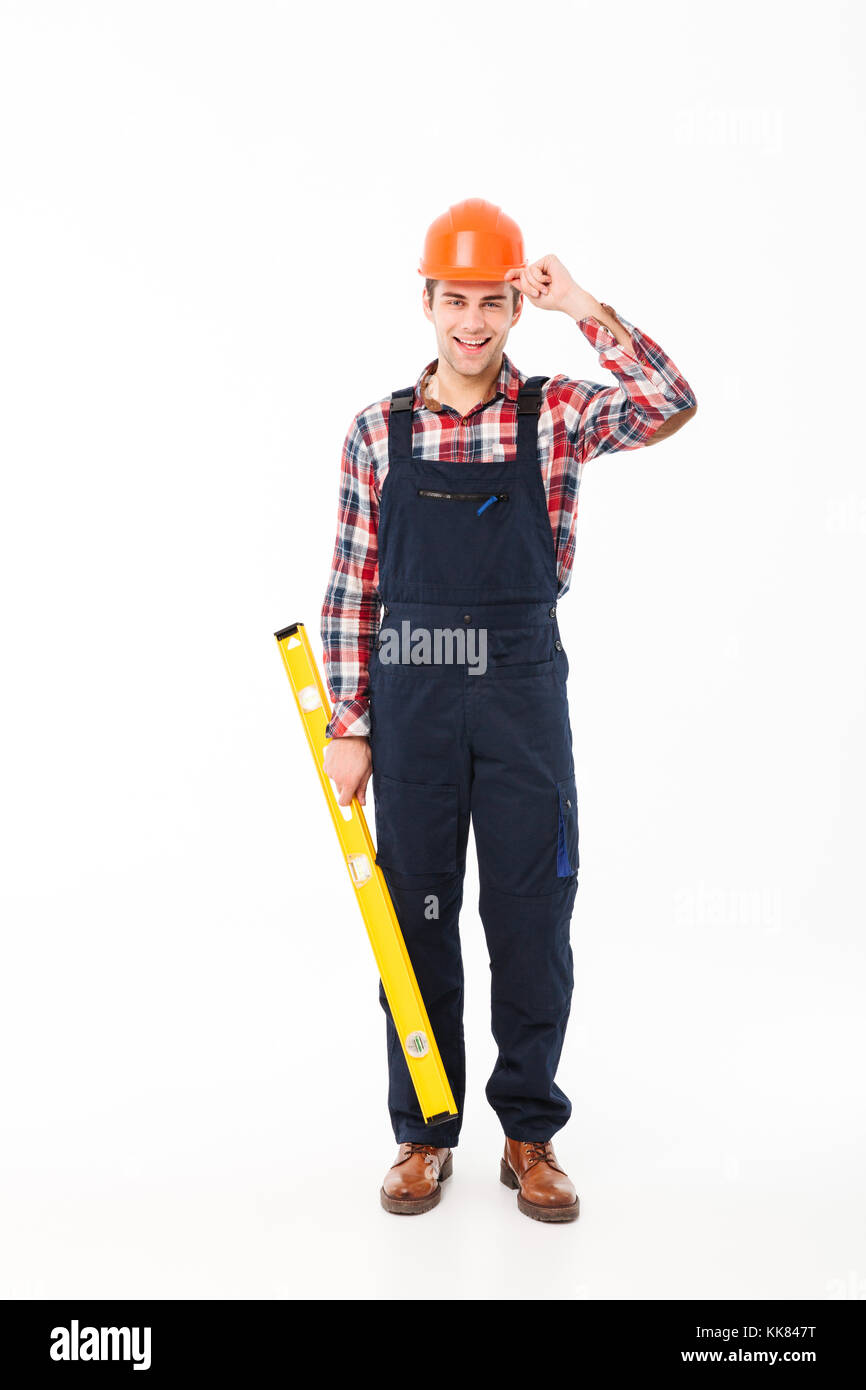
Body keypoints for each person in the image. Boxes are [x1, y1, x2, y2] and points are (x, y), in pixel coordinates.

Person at [320, 198, 697, 1222]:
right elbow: (353, 587)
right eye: (456, 301)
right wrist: (347, 724)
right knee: (418, 921)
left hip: (523, 691)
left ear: (510, 310)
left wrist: (584, 306)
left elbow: (669, 401)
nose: (473, 322)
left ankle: (528, 1135)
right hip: (413, 697)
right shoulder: (377, 431)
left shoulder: (559, 415)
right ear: (426, 301)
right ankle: (422, 1134)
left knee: (530, 921)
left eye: (492, 302)